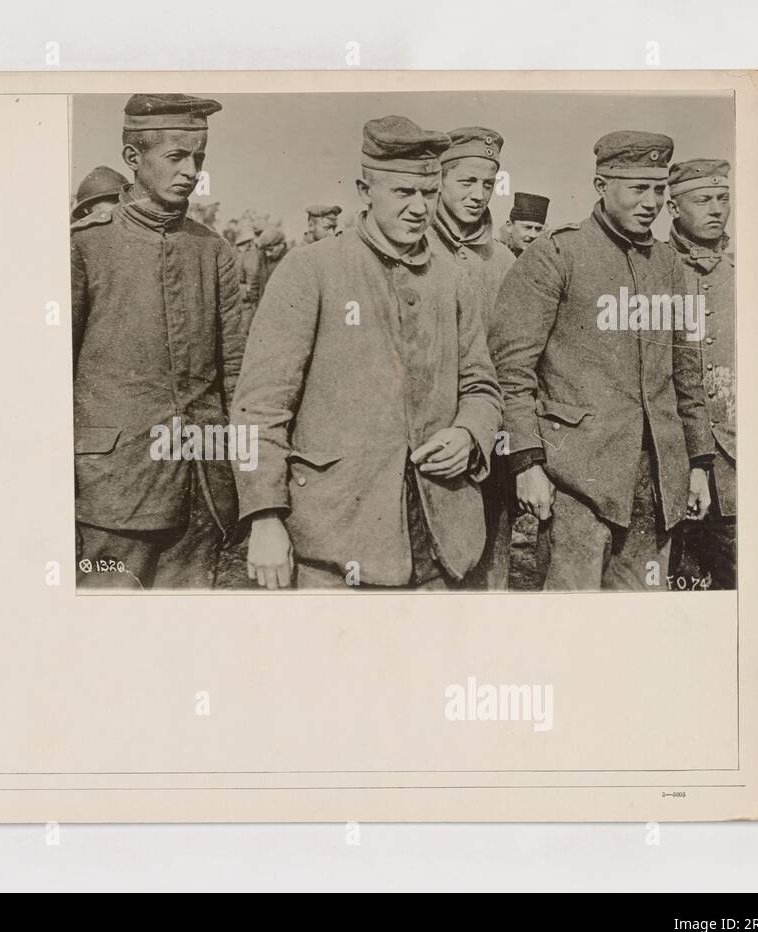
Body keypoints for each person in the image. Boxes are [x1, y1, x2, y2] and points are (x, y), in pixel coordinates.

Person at [232, 115, 502, 590]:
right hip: (336, 543)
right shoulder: (311, 269)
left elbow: (482, 385)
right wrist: (264, 516)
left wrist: (469, 434)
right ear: (365, 189)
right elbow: (259, 407)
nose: (419, 207)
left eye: (429, 193)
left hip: (443, 540)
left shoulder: (450, 278)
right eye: (402, 193)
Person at [487, 130, 715, 591]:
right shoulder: (555, 255)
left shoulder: (671, 267)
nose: (651, 202)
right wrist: (526, 463)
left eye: (659, 190)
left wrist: (699, 463)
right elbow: (511, 372)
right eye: (637, 189)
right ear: (600, 185)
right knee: (572, 629)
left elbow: (687, 374)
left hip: (656, 484)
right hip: (577, 483)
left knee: (637, 628)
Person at [70, 94, 243, 588]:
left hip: (202, 492)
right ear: (133, 159)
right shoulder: (87, 246)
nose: (190, 171)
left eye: (198, 159)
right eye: (176, 157)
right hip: (113, 495)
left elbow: (236, 373)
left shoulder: (212, 250)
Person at [430, 126, 517, 589]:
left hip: (491, 443)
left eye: (488, 183)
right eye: (466, 182)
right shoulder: (413, 248)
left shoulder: (503, 262)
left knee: (489, 574)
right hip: (430, 445)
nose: (479, 194)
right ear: (440, 180)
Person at [666, 159, 735, 589]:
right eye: (703, 199)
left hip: (735, 465)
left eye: (723, 198)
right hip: (672, 464)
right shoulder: (652, 270)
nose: (716, 209)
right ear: (674, 209)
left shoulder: (745, 273)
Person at [496, 192, 550, 256]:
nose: (533, 235)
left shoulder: (545, 259)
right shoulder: (496, 255)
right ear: (509, 226)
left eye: (538, 229)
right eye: (527, 227)